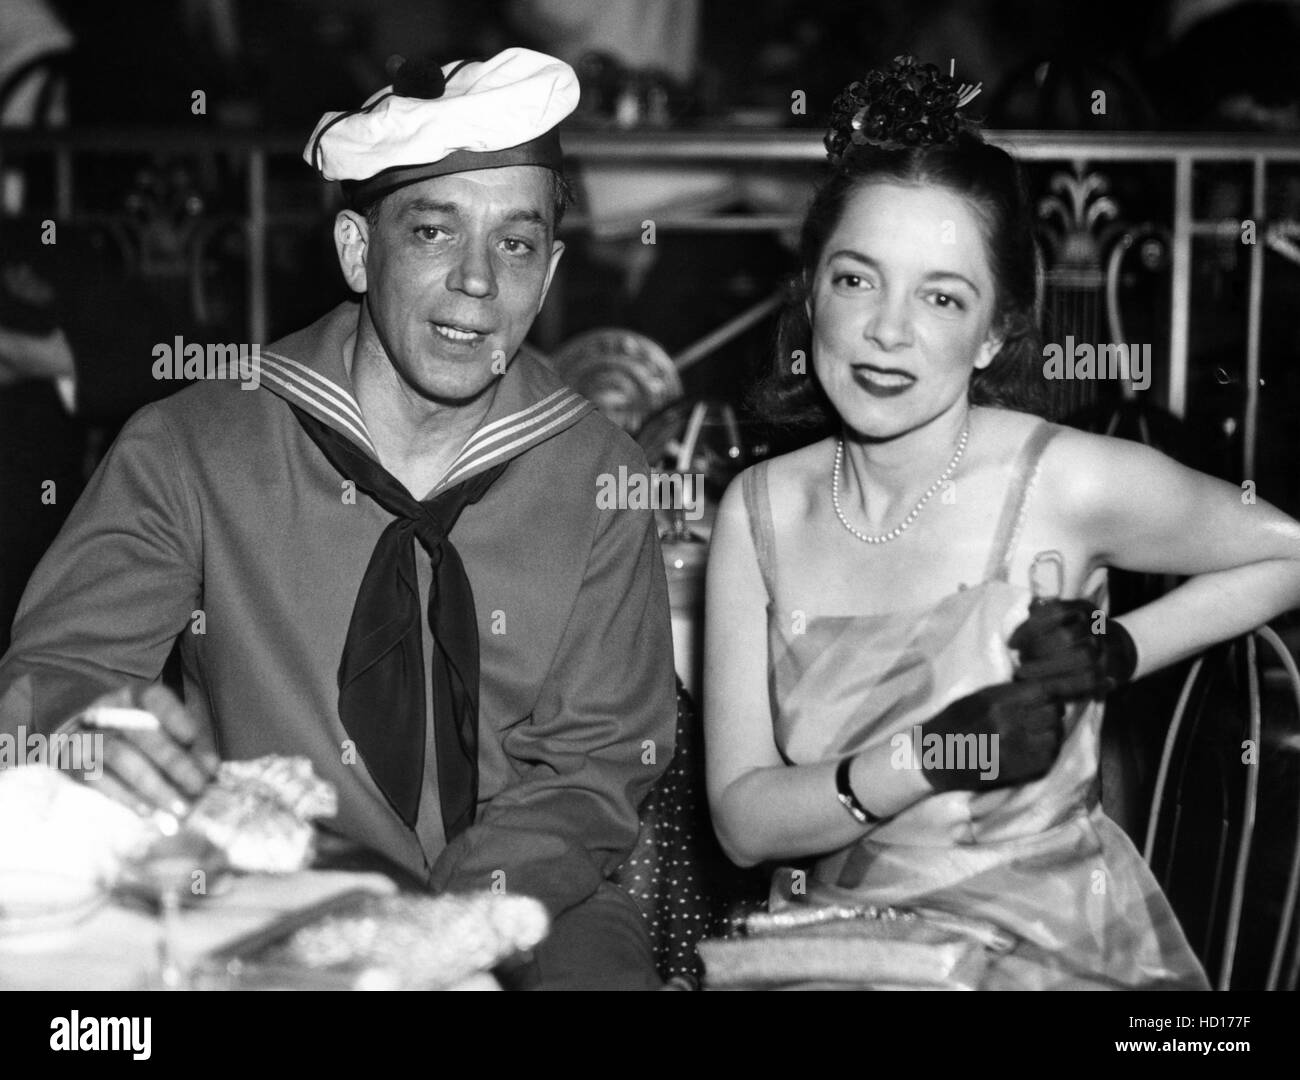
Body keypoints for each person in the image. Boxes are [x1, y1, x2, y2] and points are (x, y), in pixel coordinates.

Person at [0, 47, 677, 990]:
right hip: (263, 886)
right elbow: (48, 679)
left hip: (532, 897)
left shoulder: (600, 473)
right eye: (436, 233)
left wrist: (453, 923)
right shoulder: (197, 444)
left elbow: (598, 765)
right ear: (359, 251)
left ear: (553, 267)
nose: (480, 282)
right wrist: (92, 726)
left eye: (516, 244)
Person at [703, 56, 1300, 990]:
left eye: (942, 297)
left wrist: (1122, 652)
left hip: (1046, 954)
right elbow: (743, 824)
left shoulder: (1063, 483)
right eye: (858, 281)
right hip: (830, 954)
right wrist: (933, 755)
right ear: (810, 294)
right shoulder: (758, 511)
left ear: (991, 336)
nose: (888, 331)